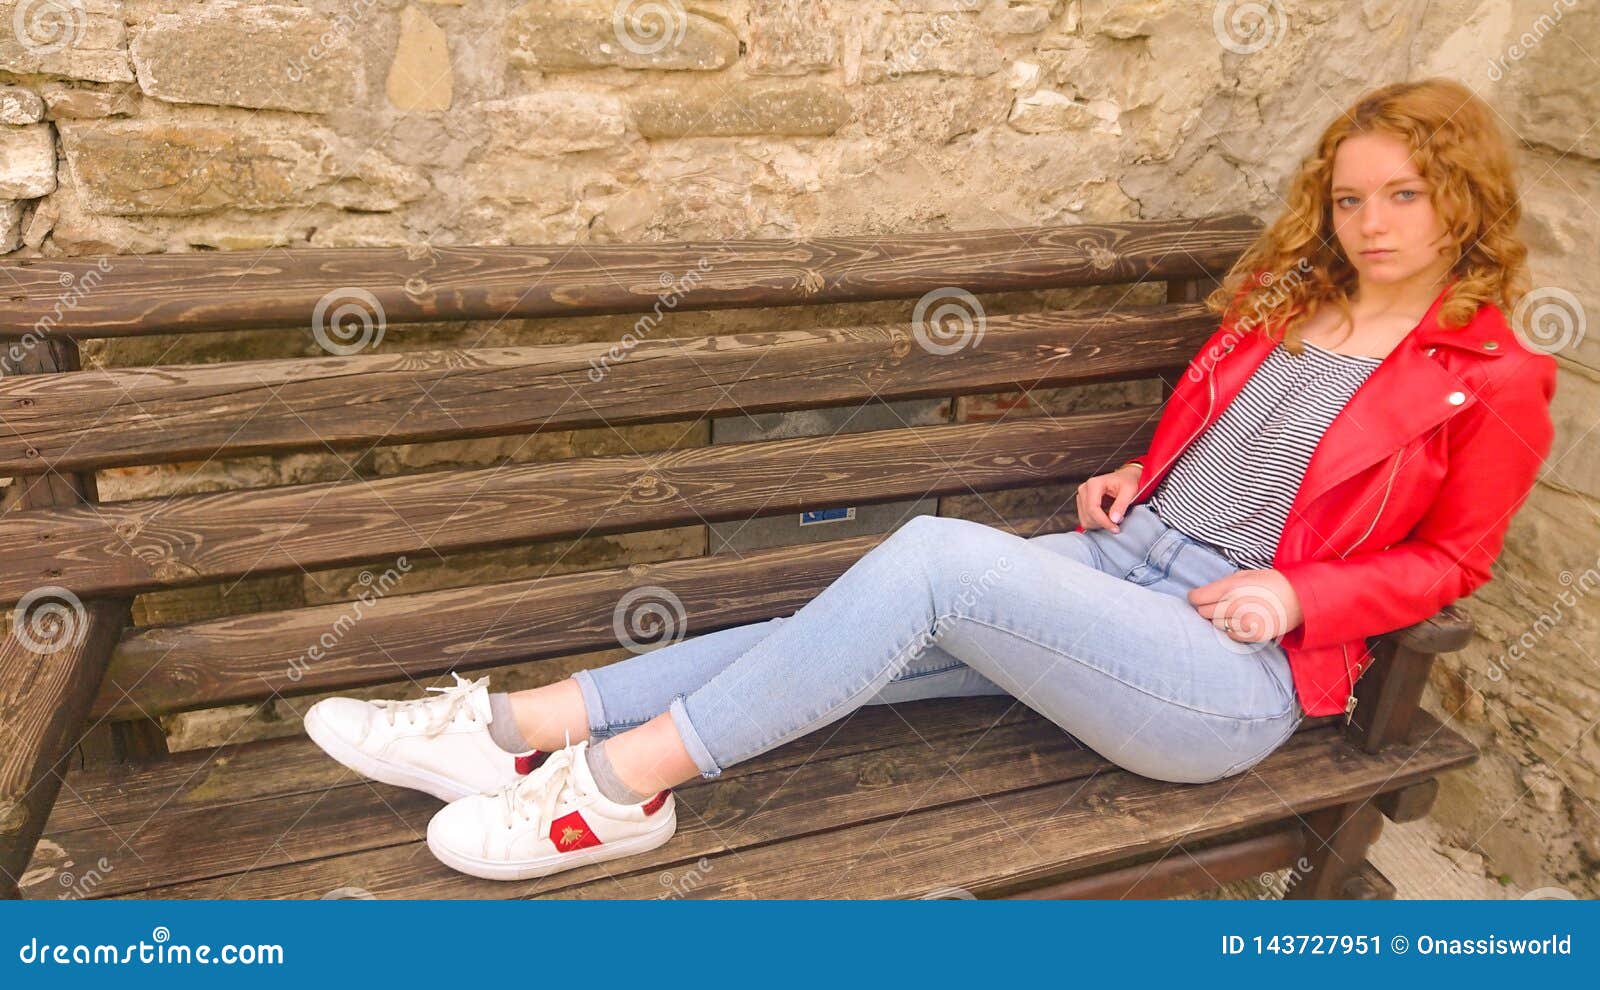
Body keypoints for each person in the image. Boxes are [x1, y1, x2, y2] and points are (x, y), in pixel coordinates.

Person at [303, 77, 1558, 883]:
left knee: (934, 557)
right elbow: (1239, 448)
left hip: (1229, 674)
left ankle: (625, 792)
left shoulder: (1491, 373)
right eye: (1350, 198)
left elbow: (1455, 562)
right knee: (845, 625)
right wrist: (1144, 471)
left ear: (1462, 201)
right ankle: (510, 732)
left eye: (1406, 195)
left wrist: (1297, 602)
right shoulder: (1287, 304)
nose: (1371, 222)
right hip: (1122, 570)